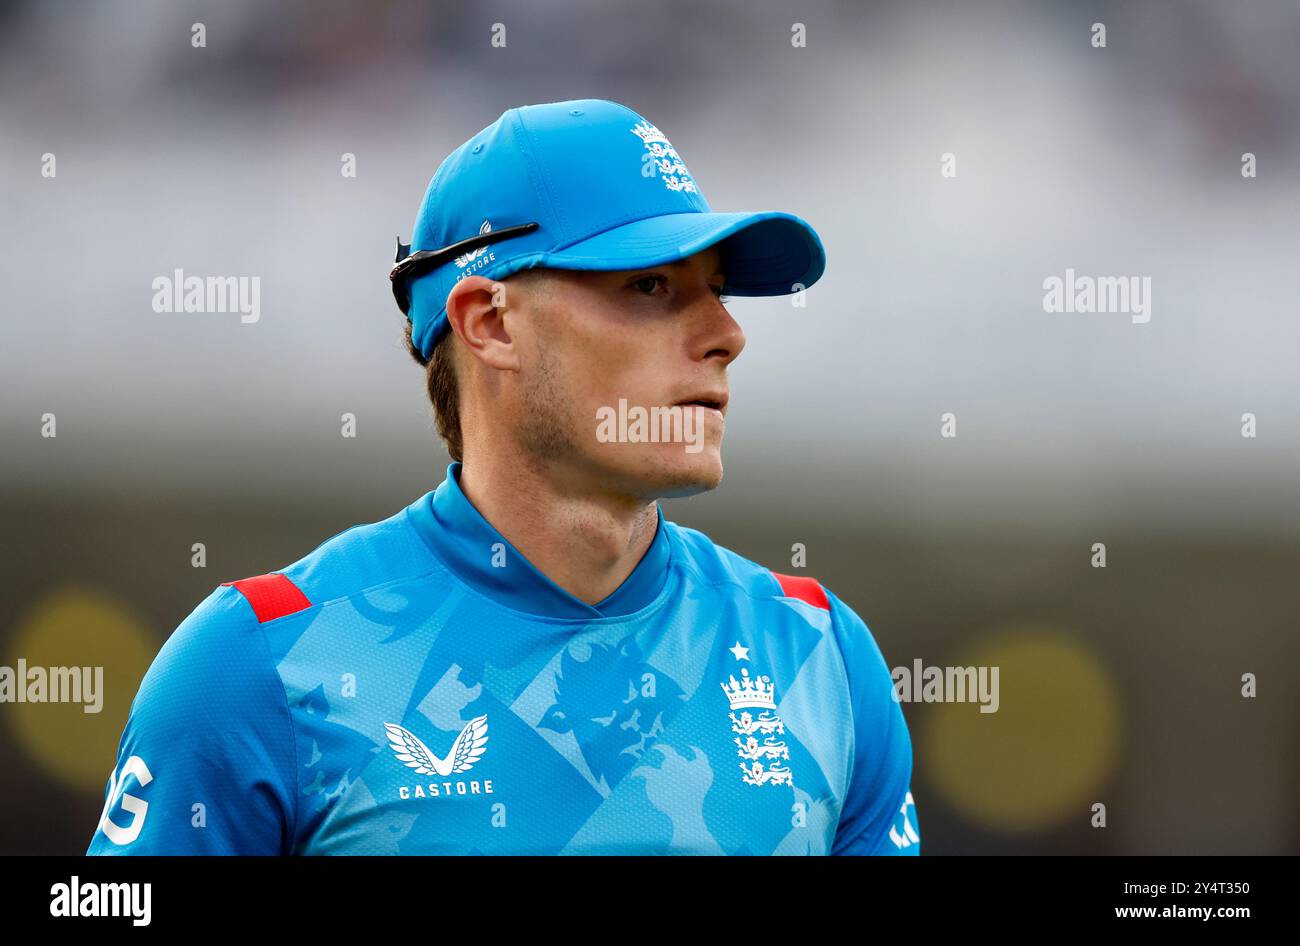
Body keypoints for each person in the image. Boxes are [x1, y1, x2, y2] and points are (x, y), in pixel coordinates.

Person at [87, 98, 919, 855]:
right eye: (651, 284)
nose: (726, 335)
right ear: (489, 324)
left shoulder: (822, 657)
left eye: (720, 291)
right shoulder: (255, 664)